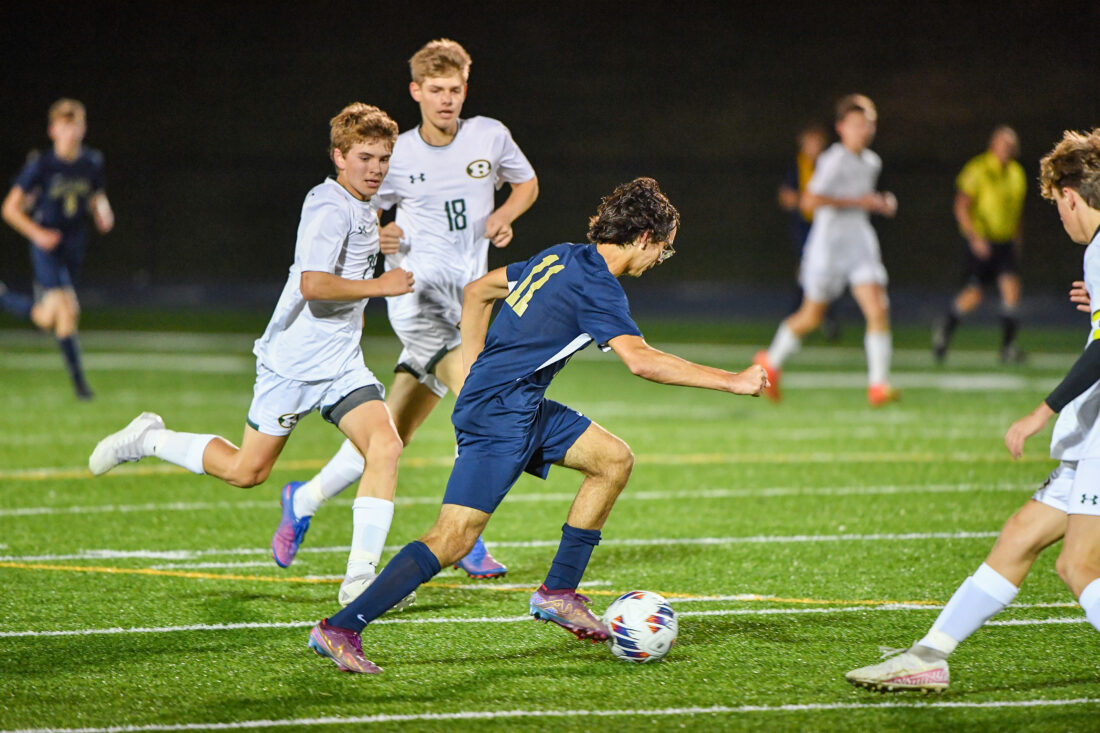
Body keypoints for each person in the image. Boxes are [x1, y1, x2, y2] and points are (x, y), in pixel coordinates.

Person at [304, 177, 770, 673]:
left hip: (516, 402)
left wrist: (474, 362)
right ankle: (340, 627)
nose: (659, 260)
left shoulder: (563, 256)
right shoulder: (598, 286)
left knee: (613, 460)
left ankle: (559, 593)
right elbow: (641, 361)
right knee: (454, 536)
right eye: (663, 250)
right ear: (642, 238)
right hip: (498, 414)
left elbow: (479, 290)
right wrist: (733, 381)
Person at [87, 103, 419, 608]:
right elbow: (313, 286)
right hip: (292, 364)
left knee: (386, 447)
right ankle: (149, 439)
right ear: (339, 157)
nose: (376, 168)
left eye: (383, 158)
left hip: (340, 365)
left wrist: (380, 236)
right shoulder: (328, 206)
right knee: (247, 471)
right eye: (366, 157)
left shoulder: (360, 205)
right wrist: (383, 284)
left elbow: (351, 254)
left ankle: (359, 579)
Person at [272, 39, 538, 587]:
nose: (446, 100)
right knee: (482, 399)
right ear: (416, 92)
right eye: (435, 91)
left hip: (469, 303)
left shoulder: (490, 135)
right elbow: (360, 202)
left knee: (391, 433)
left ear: (467, 88)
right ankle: (466, 533)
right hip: (417, 302)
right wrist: (382, 234)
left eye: (455, 90)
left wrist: (507, 213)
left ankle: (304, 498)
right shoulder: (401, 155)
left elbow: (527, 183)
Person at [845, 128, 1100, 693]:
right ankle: (930, 656)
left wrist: (1041, 411)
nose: (1059, 217)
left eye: (1058, 204)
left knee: (1079, 566)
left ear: (1073, 198)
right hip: (1089, 439)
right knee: (1019, 536)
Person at [754, 94, 898, 406]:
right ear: (842, 127)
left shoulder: (872, 162)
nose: (865, 130)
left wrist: (879, 202)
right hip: (827, 249)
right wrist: (860, 202)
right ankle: (771, 362)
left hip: (859, 245)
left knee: (878, 309)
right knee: (810, 318)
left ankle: (878, 386)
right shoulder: (833, 160)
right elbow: (809, 201)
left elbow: (862, 198)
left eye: (869, 124)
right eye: (858, 124)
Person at [1, 99, 114, 400]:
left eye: (75, 124)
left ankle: (4, 298)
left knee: (49, 318)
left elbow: (96, 195)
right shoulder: (41, 165)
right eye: (64, 125)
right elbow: (10, 209)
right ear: (53, 130)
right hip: (48, 248)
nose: (70, 131)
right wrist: (37, 234)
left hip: (74, 247)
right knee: (69, 310)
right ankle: (81, 387)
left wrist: (103, 211)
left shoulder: (91, 162)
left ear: (83, 127)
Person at [932, 126, 1027, 364]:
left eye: (1010, 145)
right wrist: (974, 237)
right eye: (1002, 144)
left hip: (1004, 242)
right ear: (992, 145)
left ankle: (1007, 347)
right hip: (982, 241)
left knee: (1011, 291)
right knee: (974, 294)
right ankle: (945, 328)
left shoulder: (1017, 174)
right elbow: (961, 205)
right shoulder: (978, 168)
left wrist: (1017, 240)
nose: (1006, 149)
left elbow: (1015, 213)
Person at [777, 123, 838, 340]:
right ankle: (810, 316)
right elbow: (785, 197)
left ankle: (818, 316)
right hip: (803, 228)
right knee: (808, 271)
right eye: (809, 141)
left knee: (822, 272)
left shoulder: (829, 165)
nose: (813, 146)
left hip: (828, 227)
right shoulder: (796, 167)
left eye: (817, 142)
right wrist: (805, 201)